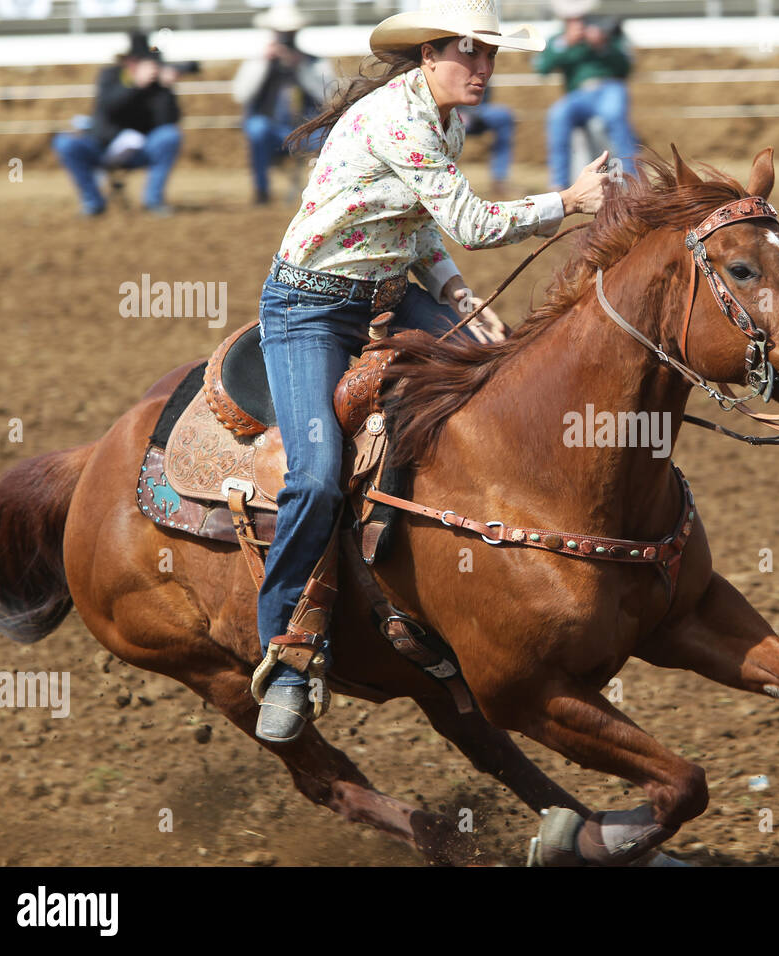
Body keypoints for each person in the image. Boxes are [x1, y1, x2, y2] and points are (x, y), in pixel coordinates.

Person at [251, 0, 611, 743]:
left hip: (389, 291)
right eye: (469, 54)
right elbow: (472, 224)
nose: (483, 68)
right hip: (310, 310)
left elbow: (417, 228)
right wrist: (569, 202)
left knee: (505, 379)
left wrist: (453, 294)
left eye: (490, 55)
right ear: (428, 55)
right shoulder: (402, 120)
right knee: (315, 474)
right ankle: (285, 651)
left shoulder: (441, 116)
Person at [52, 31, 182, 217]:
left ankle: (153, 200)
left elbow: (169, 120)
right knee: (65, 143)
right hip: (102, 145)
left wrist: (165, 89)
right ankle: (93, 203)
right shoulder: (110, 76)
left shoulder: (158, 88)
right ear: (130, 62)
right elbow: (109, 106)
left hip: (141, 148)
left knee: (169, 135)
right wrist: (136, 85)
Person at [232, 5, 339, 204]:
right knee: (257, 128)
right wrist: (264, 63)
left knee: (331, 140)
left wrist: (301, 67)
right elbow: (241, 94)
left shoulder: (313, 62)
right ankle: (261, 191)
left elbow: (329, 95)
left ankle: (323, 192)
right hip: (271, 128)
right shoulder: (258, 61)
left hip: (306, 130)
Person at [535, 0, 637, 192]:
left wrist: (603, 46)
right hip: (578, 94)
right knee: (558, 115)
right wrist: (566, 43)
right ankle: (559, 185)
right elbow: (542, 67)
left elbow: (626, 66)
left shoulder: (606, 31)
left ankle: (633, 180)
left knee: (613, 115)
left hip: (609, 86)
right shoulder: (558, 39)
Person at [455, 83, 515, 194]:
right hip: (455, 110)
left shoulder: (483, 67)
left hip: (478, 110)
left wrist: (474, 112)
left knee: (503, 116)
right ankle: (447, 179)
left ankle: (499, 179)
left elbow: (485, 93)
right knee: (450, 123)